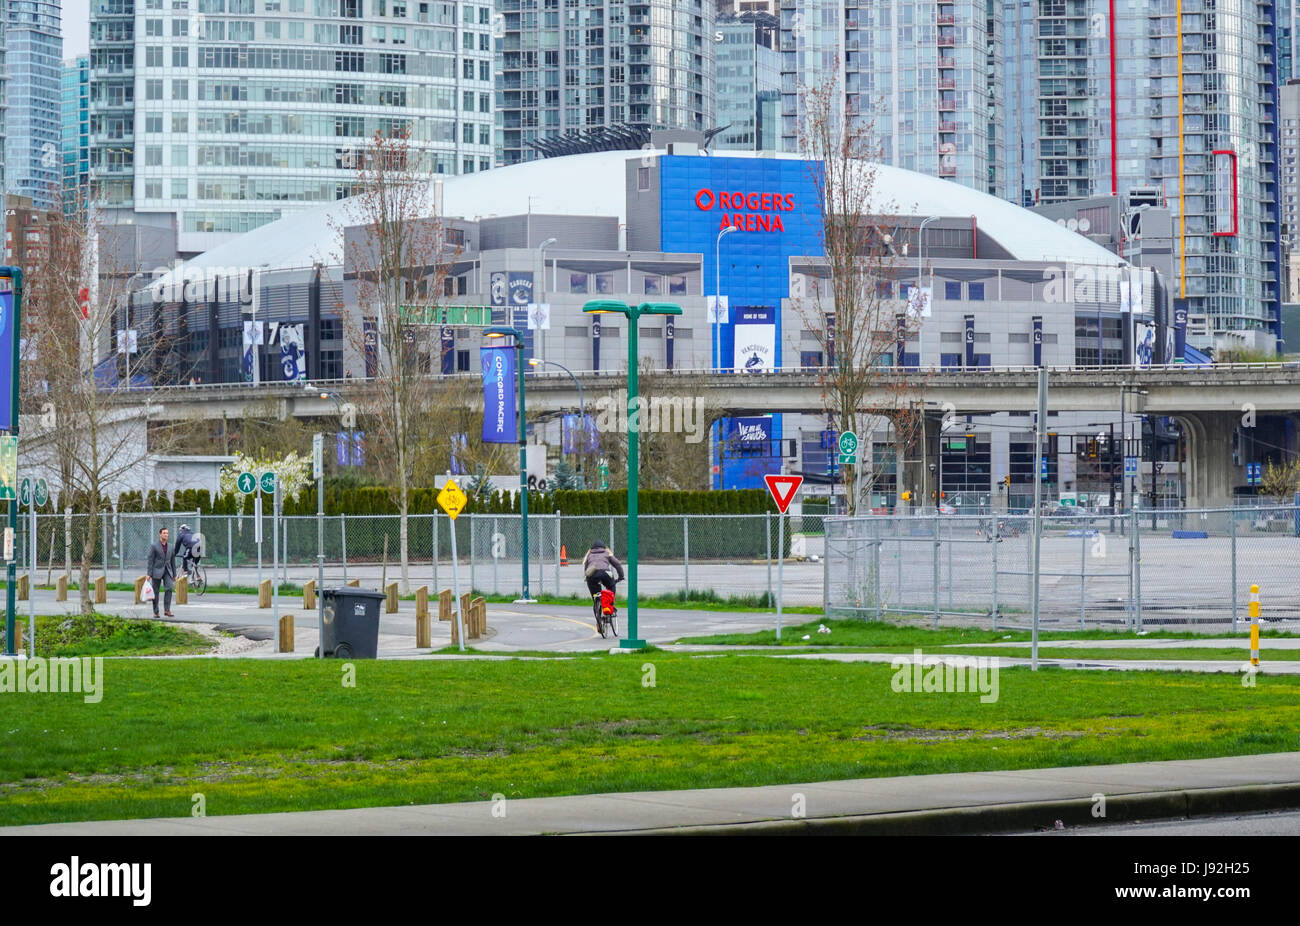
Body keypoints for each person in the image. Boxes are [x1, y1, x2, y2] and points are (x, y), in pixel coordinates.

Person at [146, 526, 177, 618]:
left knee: (169, 588)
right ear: (160, 534)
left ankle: (167, 610)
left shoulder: (171, 546)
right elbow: (150, 560)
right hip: (157, 571)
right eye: (164, 533)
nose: (166, 535)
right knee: (156, 591)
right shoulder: (154, 546)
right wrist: (149, 574)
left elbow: (173, 561)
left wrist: (174, 574)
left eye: (167, 533)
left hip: (168, 571)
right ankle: (156, 612)